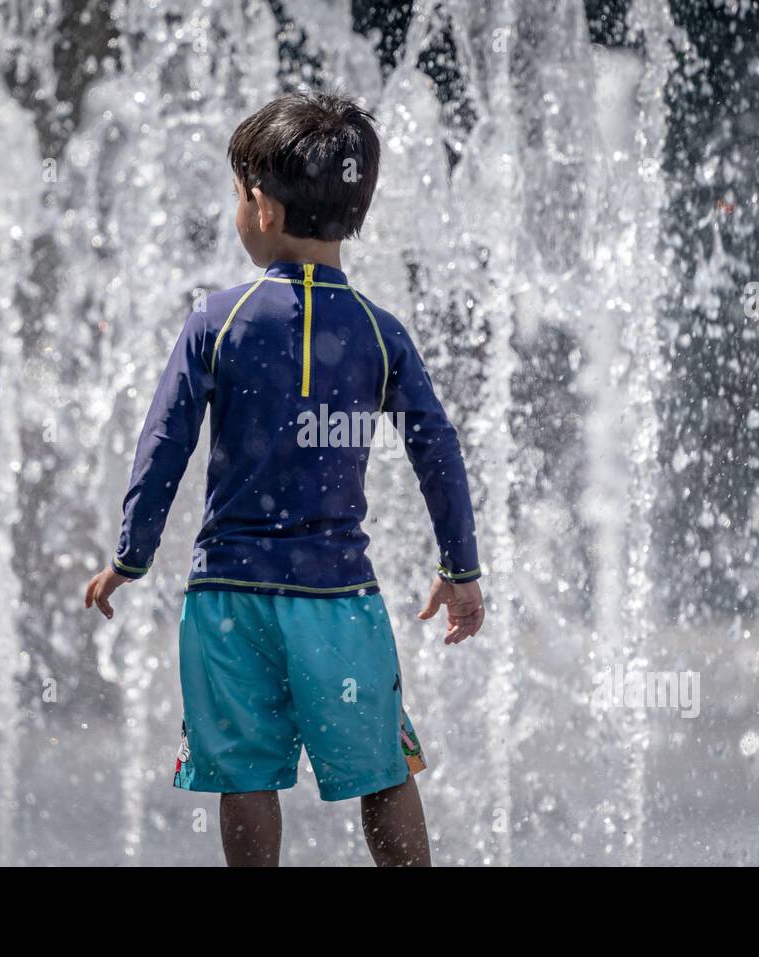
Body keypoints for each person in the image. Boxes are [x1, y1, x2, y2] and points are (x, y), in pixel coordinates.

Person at [84, 90, 484, 867]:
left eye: (237, 192)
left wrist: (130, 556)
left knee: (246, 779)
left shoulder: (218, 321)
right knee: (382, 771)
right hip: (337, 599)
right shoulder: (378, 330)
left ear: (262, 207)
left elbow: (164, 441)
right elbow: (436, 447)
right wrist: (459, 569)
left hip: (229, 599)